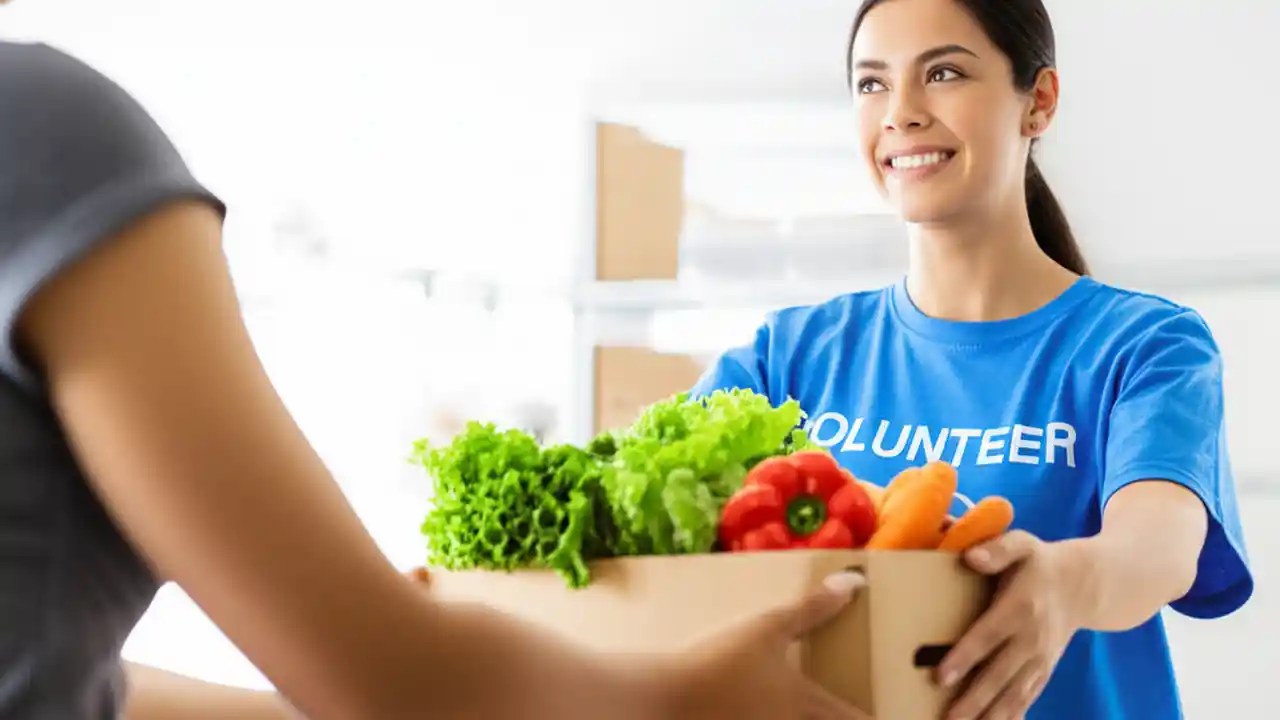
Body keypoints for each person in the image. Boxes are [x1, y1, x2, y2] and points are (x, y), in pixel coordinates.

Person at [0, 39, 871, 720]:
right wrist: (676, 703)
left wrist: (351, 689)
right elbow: (386, 675)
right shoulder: (47, 127)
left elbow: (69, 678)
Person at [688, 0, 1253, 718]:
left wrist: (1066, 580)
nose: (900, 112)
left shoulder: (1143, 345)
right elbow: (651, 541)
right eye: (871, 84)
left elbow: (1160, 547)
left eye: (944, 72)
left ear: (1038, 103)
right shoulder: (787, 358)